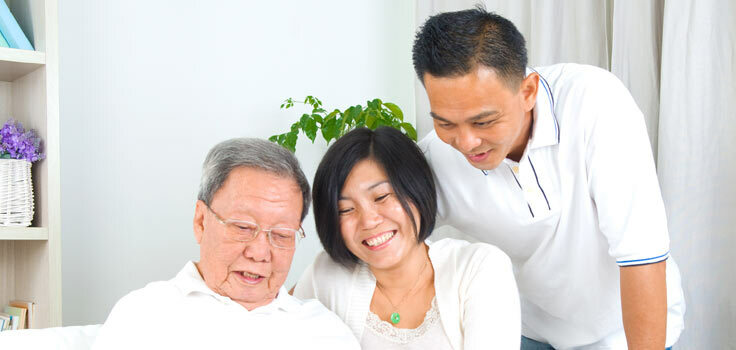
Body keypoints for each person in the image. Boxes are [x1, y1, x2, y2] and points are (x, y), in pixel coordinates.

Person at [413, 7, 685, 350]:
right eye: (446, 123)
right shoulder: (435, 157)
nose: (466, 143)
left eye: (483, 122)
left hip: (625, 330)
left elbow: (641, 254)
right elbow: (390, 243)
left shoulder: (596, 105)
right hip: (530, 330)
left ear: (528, 91)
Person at [92, 138, 359, 349]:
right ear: (200, 221)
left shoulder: (326, 331)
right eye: (243, 227)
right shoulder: (144, 315)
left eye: (281, 235)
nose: (259, 253)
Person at [293, 127, 521, 349]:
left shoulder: (479, 268)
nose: (368, 221)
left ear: (416, 188)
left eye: (381, 197)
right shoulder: (325, 275)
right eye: (345, 209)